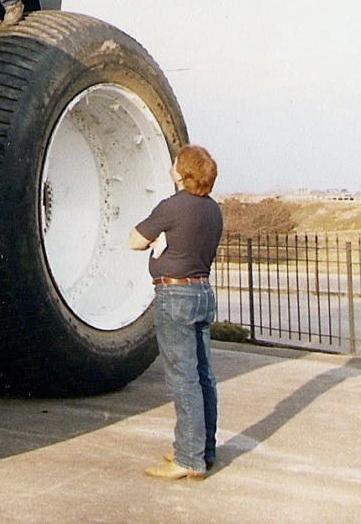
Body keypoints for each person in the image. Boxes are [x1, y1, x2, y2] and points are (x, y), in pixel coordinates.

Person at [128, 144, 224, 480]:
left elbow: (134, 240)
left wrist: (157, 244)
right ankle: (202, 450)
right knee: (203, 377)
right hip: (202, 291)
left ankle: (187, 459)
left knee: (183, 379)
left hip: (175, 294)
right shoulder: (214, 210)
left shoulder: (172, 207)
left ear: (182, 173)